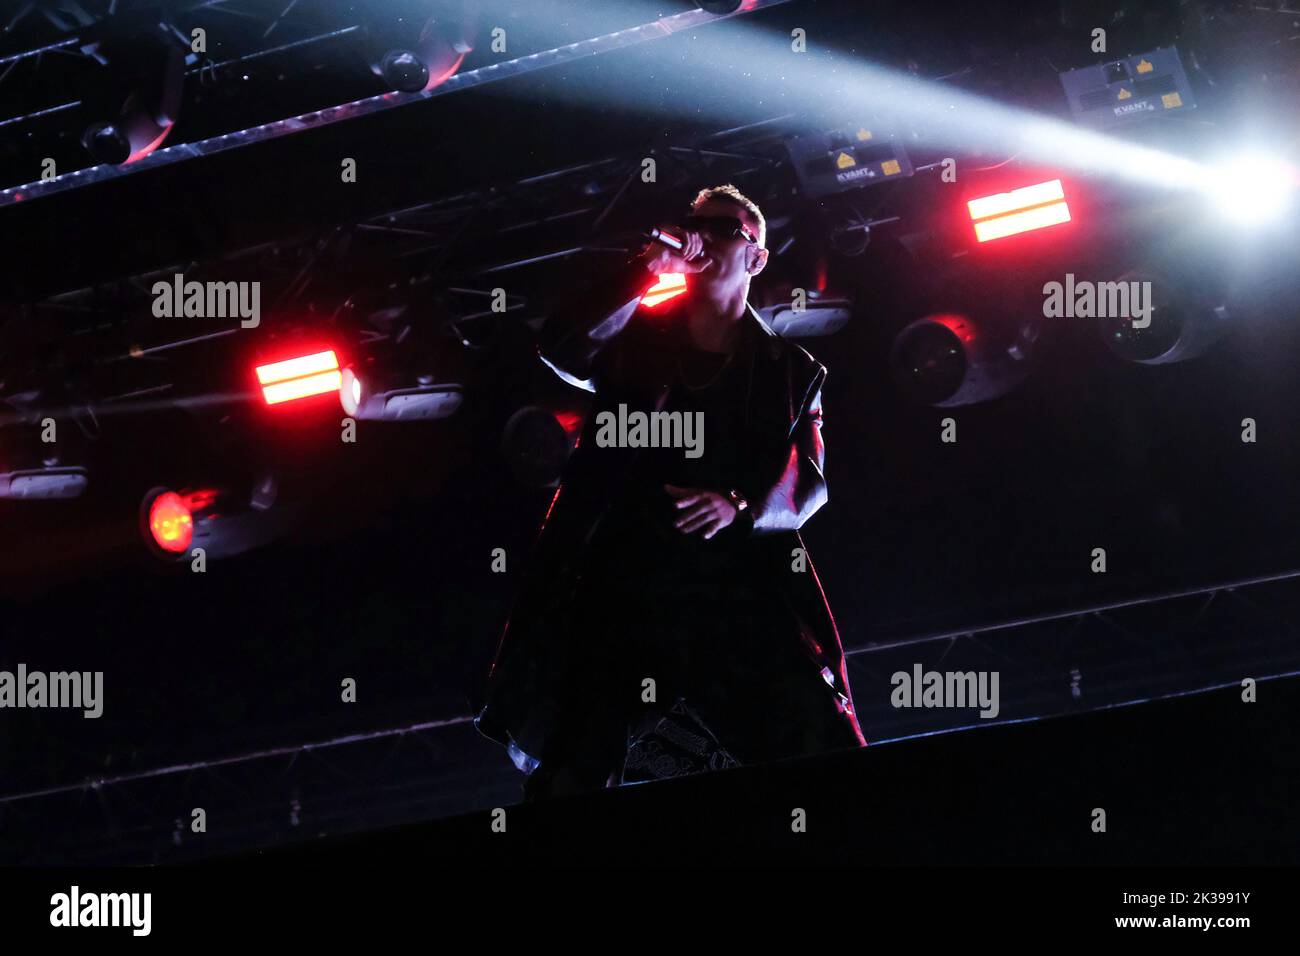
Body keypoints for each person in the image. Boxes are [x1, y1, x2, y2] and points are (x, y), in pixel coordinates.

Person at [475, 184, 865, 799]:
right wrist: (644, 271)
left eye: (724, 228)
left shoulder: (790, 371)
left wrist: (739, 504)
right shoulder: (634, 343)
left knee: (814, 731)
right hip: (627, 582)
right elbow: (561, 344)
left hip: (734, 586)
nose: (704, 236)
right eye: (696, 224)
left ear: (756, 257)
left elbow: (809, 481)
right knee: (579, 753)